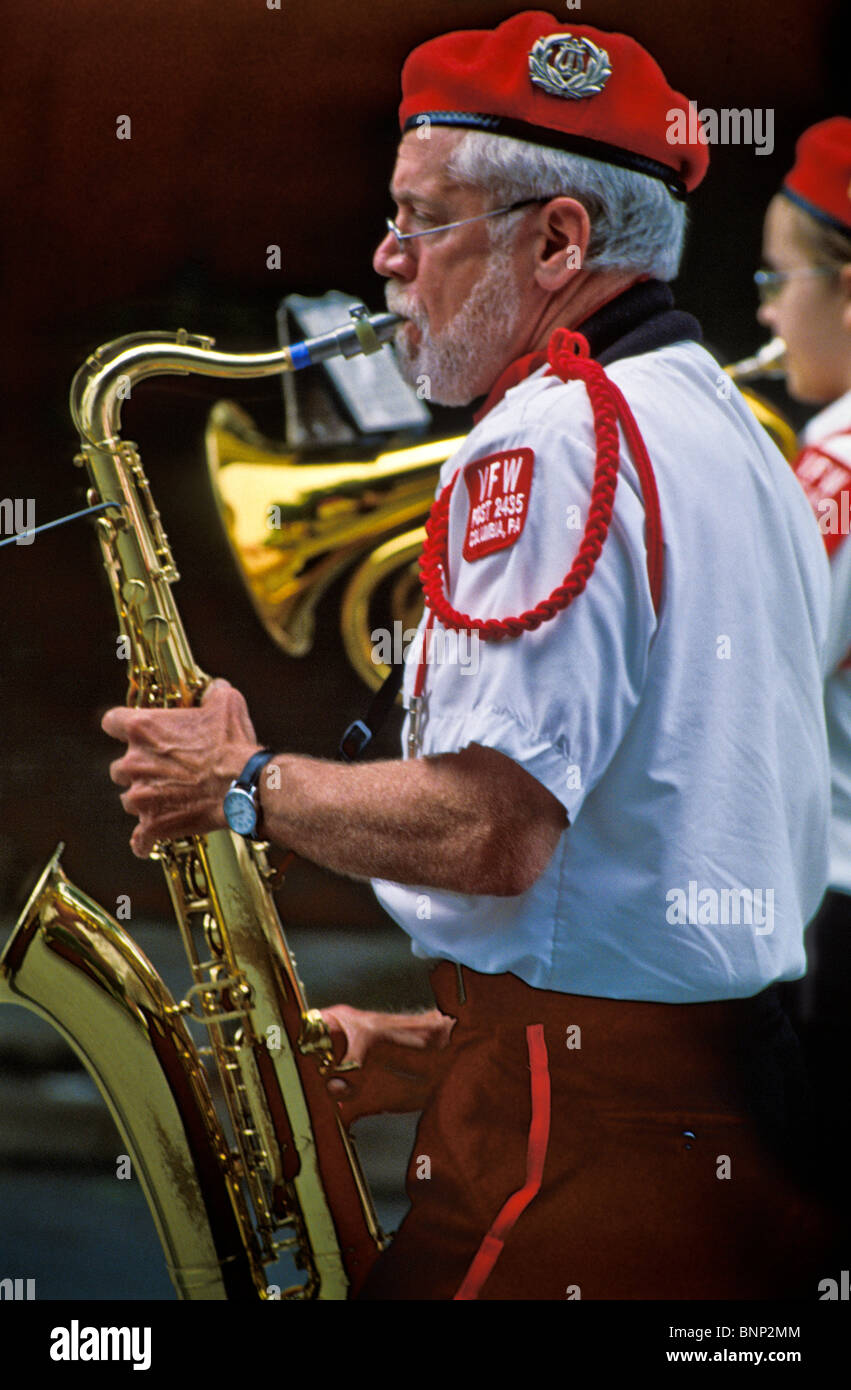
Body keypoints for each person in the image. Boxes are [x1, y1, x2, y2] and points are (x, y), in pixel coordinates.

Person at [101, 15, 835, 1299]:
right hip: (713, 1102)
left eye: (421, 219)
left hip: (571, 1145)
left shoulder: (551, 441)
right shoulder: (731, 427)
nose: (384, 259)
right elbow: (658, 874)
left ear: (556, 241)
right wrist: (442, 1046)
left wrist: (238, 780)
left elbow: (496, 830)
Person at [756, 116, 851, 1222]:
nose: (767, 315)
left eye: (776, 281)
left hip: (831, 914)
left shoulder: (832, 461)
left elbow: (767, 680)